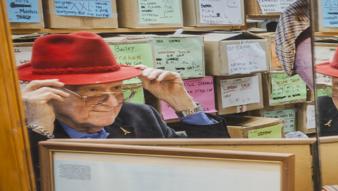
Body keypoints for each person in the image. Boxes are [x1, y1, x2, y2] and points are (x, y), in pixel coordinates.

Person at [19, 32, 229, 170]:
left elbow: (215, 163)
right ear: (49, 92)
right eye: (92, 91)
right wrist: (39, 133)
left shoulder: (141, 116)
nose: (112, 103)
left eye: (117, 89)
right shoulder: (21, 136)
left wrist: (185, 105)